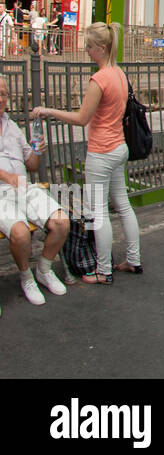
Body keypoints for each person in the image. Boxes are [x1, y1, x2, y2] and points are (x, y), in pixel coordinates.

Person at [31, 22, 141, 283]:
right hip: (119, 147)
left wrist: (48, 111)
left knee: (99, 212)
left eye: (89, 47)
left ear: (101, 48)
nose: (86, 51)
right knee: (123, 205)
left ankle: (103, 271)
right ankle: (134, 260)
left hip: (101, 151)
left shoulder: (99, 79)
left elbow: (82, 118)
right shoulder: (120, 74)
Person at [0, 78, 70, 307]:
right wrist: (5, 176)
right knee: (19, 233)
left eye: (4, 93)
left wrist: (36, 151)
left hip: (23, 187)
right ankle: (26, 277)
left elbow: (31, 165)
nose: (1, 98)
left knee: (62, 222)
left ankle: (44, 269)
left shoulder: (12, 126)